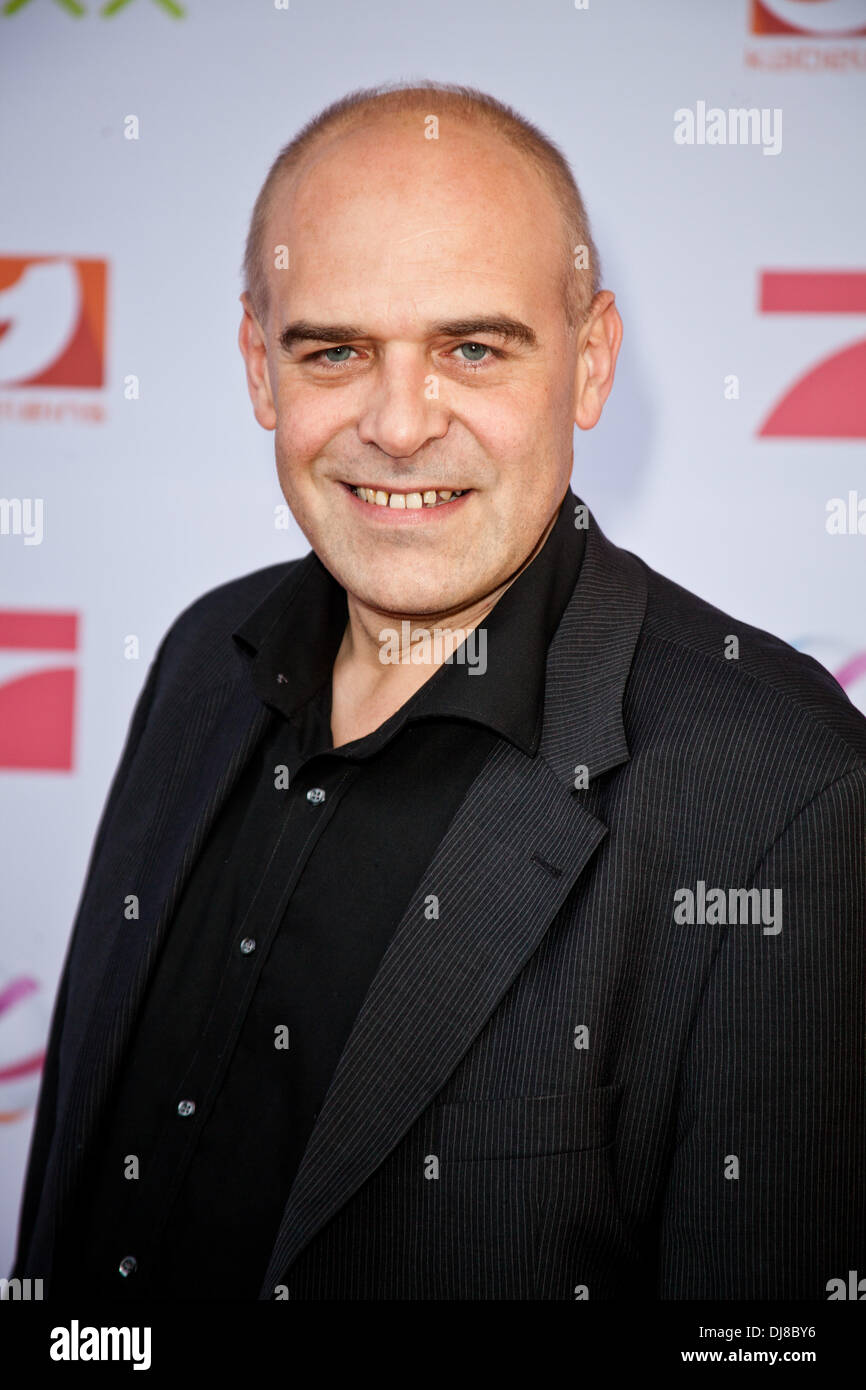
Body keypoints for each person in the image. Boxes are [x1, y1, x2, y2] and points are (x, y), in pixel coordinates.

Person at [11, 81, 866, 1301]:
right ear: (261, 367)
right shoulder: (204, 655)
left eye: (471, 348)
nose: (399, 424)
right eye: (335, 351)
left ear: (589, 363)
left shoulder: (784, 797)